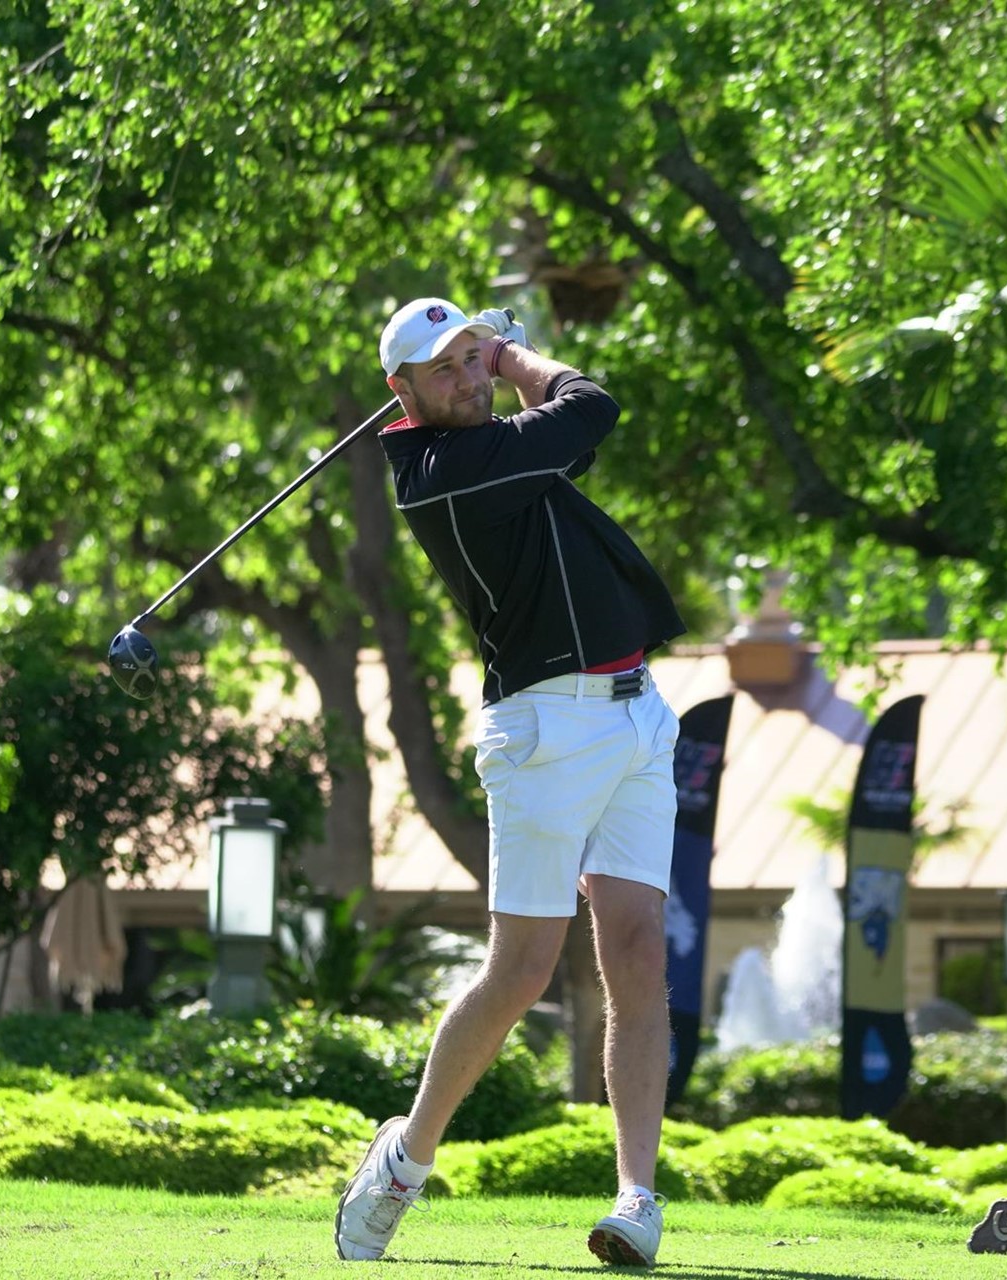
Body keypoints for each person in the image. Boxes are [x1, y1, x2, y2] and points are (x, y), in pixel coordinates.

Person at [334, 297, 686, 1268]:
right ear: (401, 394)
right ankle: (404, 1158)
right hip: (542, 731)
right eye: (446, 370)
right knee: (523, 969)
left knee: (638, 946)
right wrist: (512, 351)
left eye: (470, 362)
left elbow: (571, 422)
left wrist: (490, 356)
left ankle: (637, 1197)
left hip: (635, 713)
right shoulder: (445, 474)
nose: (468, 379)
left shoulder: (489, 443)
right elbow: (590, 406)